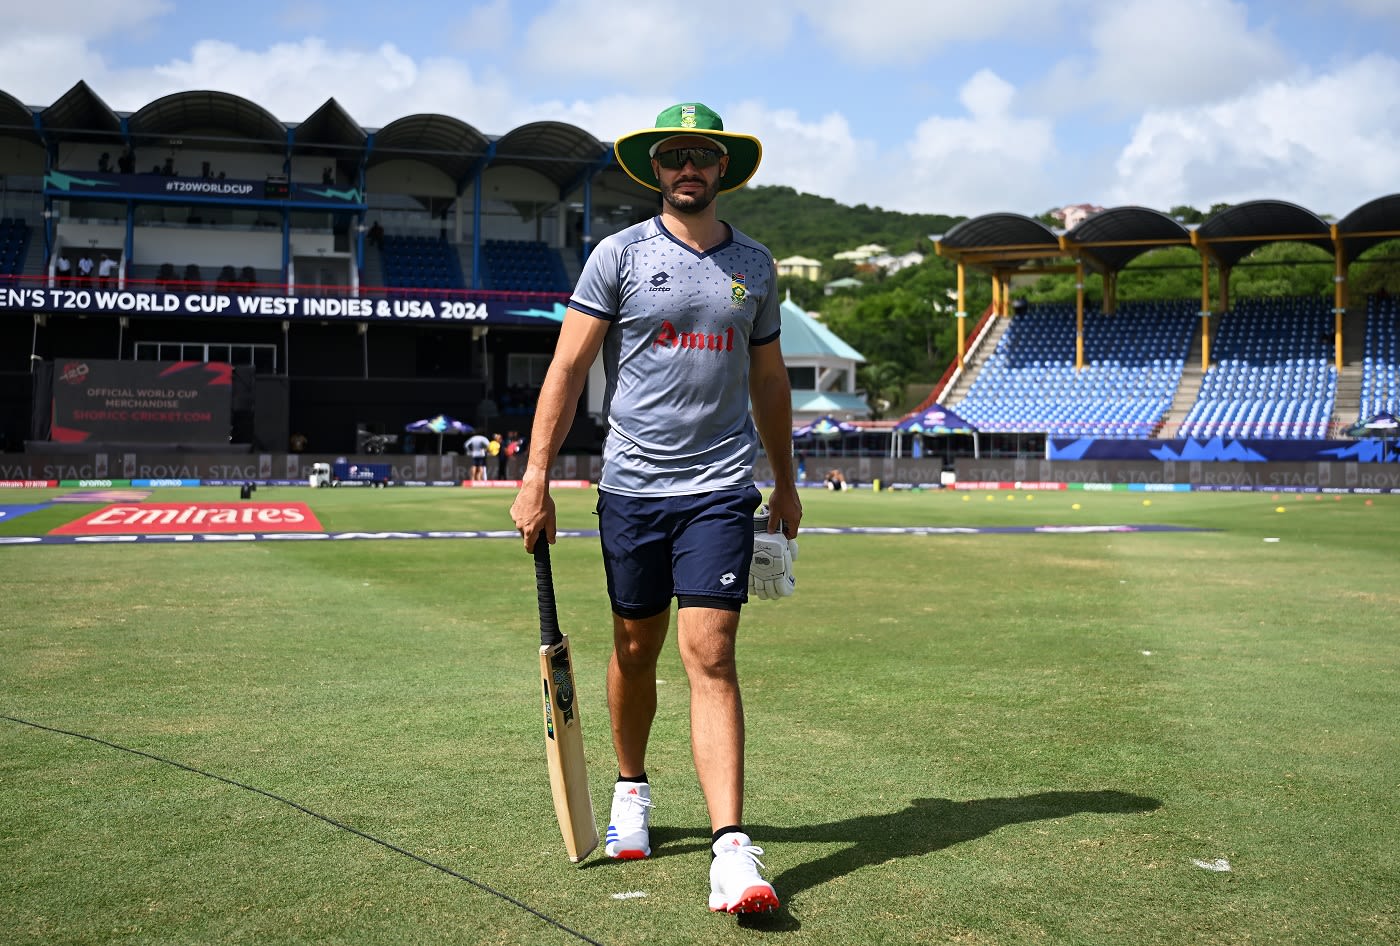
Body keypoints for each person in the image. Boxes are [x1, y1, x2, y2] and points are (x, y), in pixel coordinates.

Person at [510, 102, 799, 915]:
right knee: (635, 650)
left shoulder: (756, 265)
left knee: (711, 652)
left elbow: (770, 383)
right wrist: (535, 477)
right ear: (658, 170)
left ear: (721, 170)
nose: (687, 169)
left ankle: (731, 852)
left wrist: (786, 478)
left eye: (701, 157)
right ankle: (631, 787)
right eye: (674, 157)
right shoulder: (620, 255)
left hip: (719, 487)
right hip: (632, 488)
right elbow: (567, 370)